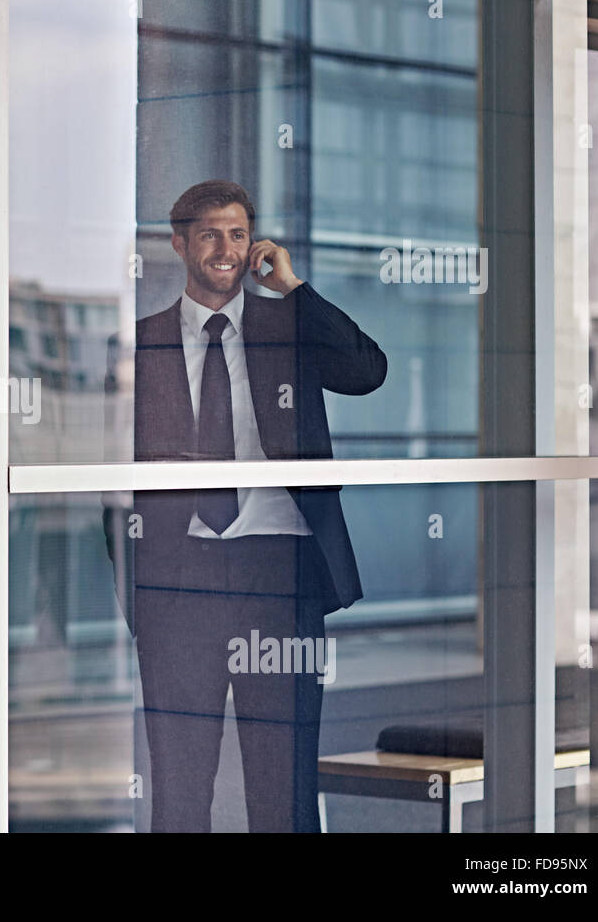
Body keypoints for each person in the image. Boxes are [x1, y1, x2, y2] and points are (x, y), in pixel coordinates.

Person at [104, 179, 387, 832]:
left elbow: (368, 371)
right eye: (209, 234)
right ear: (180, 244)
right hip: (181, 578)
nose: (225, 249)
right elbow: (112, 483)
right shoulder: (140, 342)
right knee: (179, 784)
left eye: (237, 234)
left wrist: (293, 287)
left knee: (282, 784)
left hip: (279, 574)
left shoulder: (286, 327)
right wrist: (138, 595)